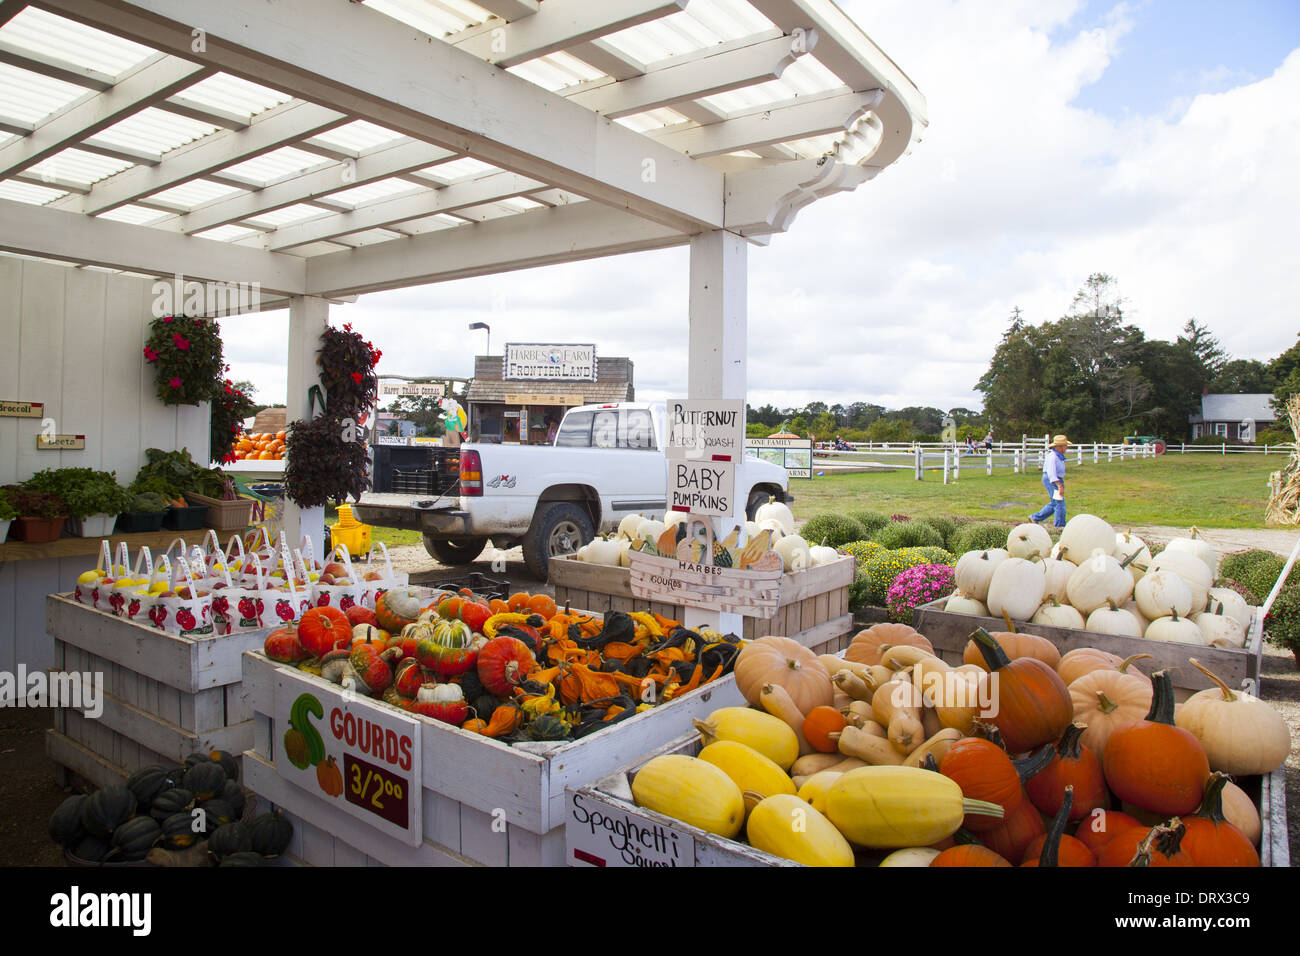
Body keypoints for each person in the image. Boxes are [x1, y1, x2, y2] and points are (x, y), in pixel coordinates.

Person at [1030, 434, 1070, 527]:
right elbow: (1051, 473)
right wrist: (1059, 485)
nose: (1067, 448)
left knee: (1055, 503)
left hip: (1056, 480)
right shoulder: (1053, 457)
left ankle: (1035, 518)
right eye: (1065, 446)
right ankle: (1060, 525)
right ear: (1060, 447)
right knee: (1059, 503)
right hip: (1052, 480)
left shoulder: (1058, 456)